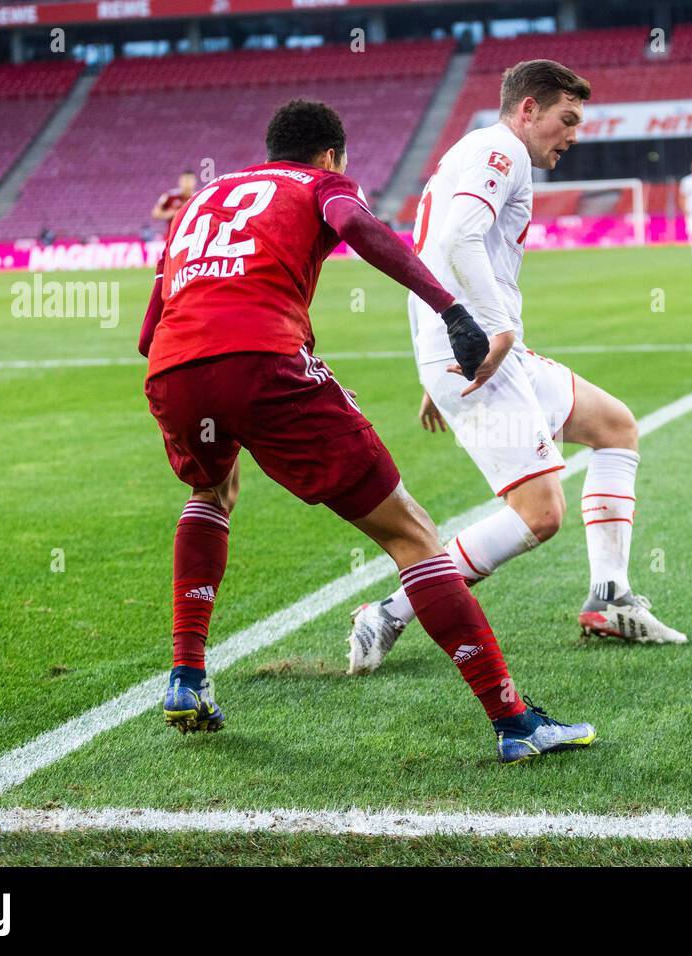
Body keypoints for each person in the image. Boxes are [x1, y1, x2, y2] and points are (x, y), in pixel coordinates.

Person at [138, 99, 596, 764]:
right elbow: (354, 223)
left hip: (174, 368)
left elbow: (148, 331)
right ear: (331, 155)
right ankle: (514, 721)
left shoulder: (201, 200)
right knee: (412, 535)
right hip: (265, 362)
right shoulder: (321, 183)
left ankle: (186, 673)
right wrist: (451, 310)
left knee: (211, 493)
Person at [346, 60, 687, 678]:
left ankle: (609, 598)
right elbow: (455, 241)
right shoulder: (500, 150)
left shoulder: (476, 153)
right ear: (528, 109)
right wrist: (488, 330)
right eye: (567, 119)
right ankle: (389, 612)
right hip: (482, 352)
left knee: (615, 427)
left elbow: (431, 252)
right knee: (541, 513)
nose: (574, 134)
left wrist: (437, 354)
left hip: (472, 349)